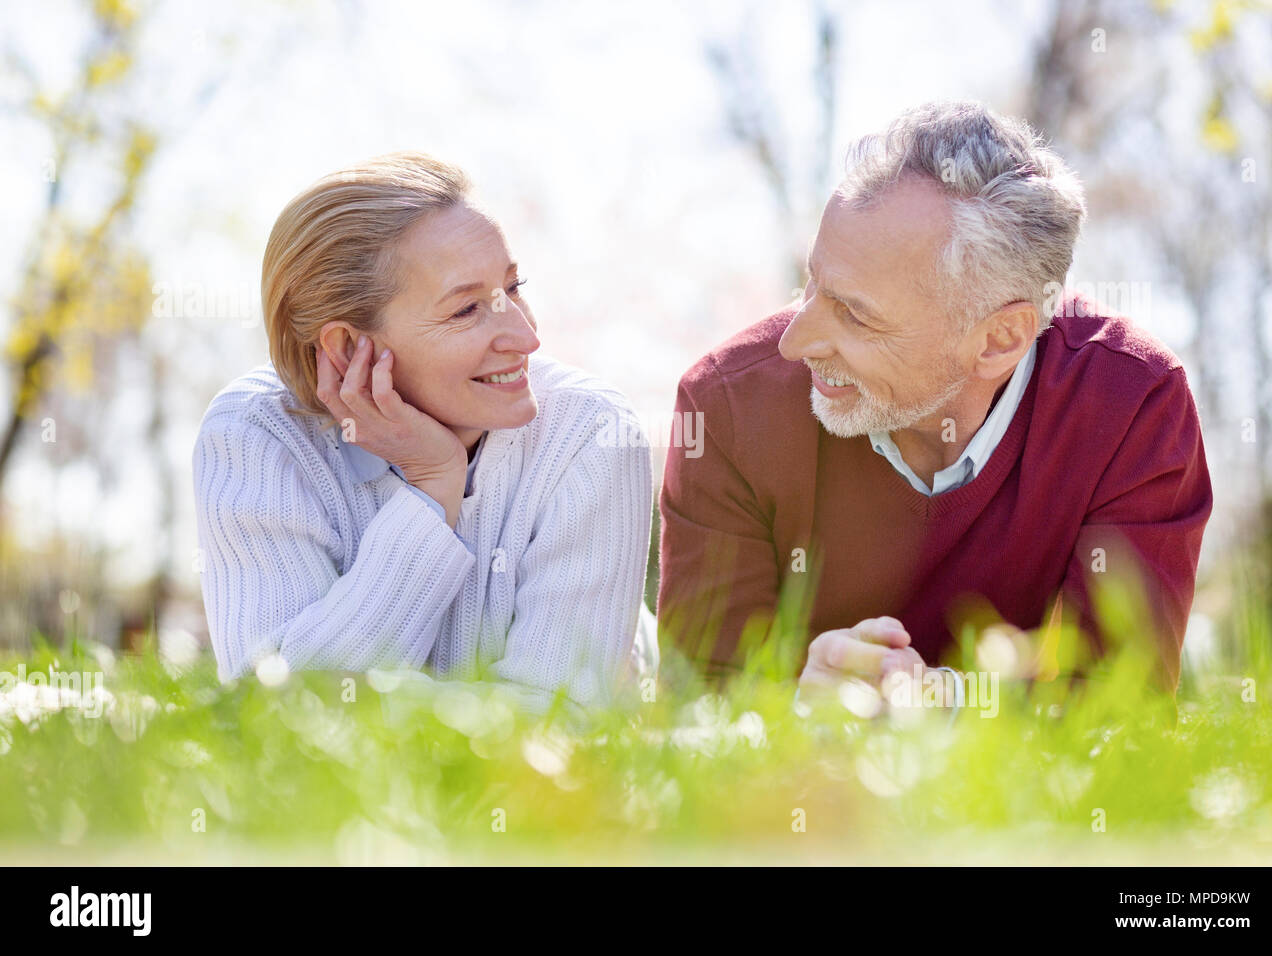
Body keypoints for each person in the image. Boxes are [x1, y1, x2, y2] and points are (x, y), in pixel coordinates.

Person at [657, 101, 1213, 699]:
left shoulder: (1132, 404)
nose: (796, 343)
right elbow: (700, 701)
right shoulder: (727, 405)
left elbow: (1118, 705)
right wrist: (797, 704)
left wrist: (938, 701)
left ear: (1000, 340)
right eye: (813, 283)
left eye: (854, 313)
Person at [193, 152, 656, 711]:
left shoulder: (591, 434)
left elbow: (561, 727)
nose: (527, 336)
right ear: (346, 348)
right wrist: (432, 490)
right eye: (466, 311)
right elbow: (273, 719)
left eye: (514, 287)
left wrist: (376, 705)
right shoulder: (256, 438)